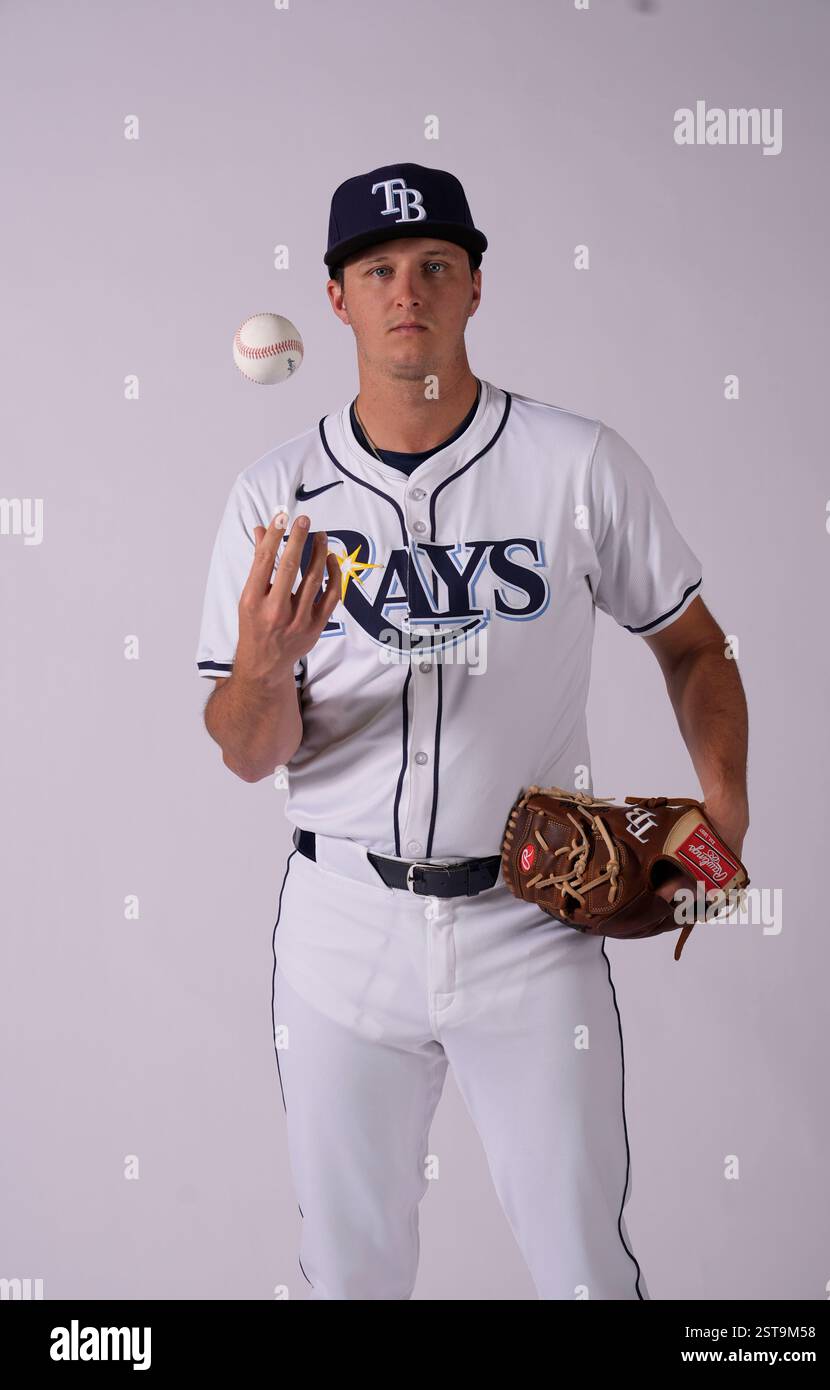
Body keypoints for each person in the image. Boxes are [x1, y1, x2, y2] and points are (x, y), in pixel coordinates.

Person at [196, 161, 749, 1300]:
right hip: (340, 926)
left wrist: (724, 805)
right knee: (347, 1276)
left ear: (475, 288)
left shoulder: (575, 463)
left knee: (584, 1270)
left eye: (436, 266)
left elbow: (693, 644)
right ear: (338, 298)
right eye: (379, 269)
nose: (410, 290)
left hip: (531, 924)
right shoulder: (273, 497)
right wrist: (264, 665)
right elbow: (244, 750)